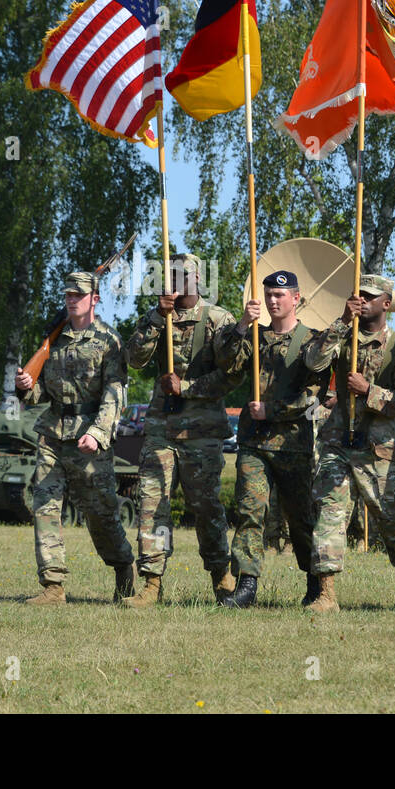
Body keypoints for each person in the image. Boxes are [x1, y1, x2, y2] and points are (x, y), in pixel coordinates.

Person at [121, 254, 237, 607]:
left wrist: (186, 387)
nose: (175, 281)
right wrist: (158, 317)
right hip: (161, 428)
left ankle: (222, 579)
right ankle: (152, 584)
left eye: (182, 275)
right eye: (169, 275)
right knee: (151, 505)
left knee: (206, 507)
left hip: (201, 431)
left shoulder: (218, 320)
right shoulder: (156, 317)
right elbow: (134, 358)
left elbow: (233, 373)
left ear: (198, 277)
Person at [305, 273, 395, 612]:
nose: (362, 301)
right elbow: (313, 360)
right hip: (338, 444)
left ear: (386, 303)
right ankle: (326, 593)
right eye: (358, 295)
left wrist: (369, 391)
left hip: (379, 451)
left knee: (392, 521)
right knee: (329, 511)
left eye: (370, 296)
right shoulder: (345, 339)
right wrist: (343, 321)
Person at [16, 270, 135, 606]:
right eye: (68, 295)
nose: (72, 300)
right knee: (45, 506)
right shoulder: (53, 339)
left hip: (90, 437)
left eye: (78, 295)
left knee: (101, 513)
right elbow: (42, 393)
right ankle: (53, 586)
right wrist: (26, 387)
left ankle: (123, 567)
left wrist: (97, 434)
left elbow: (115, 394)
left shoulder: (109, 341)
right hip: (52, 434)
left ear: (95, 299)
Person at [213, 269, 329, 608]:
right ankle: (247, 585)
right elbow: (228, 365)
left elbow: (314, 395)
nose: (272, 300)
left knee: (301, 518)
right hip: (253, 443)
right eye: (268, 295)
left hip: (293, 444)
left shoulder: (312, 341)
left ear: (296, 298)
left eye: (280, 295)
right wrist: (239, 327)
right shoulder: (254, 338)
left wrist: (273, 410)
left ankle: (314, 581)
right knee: (250, 512)